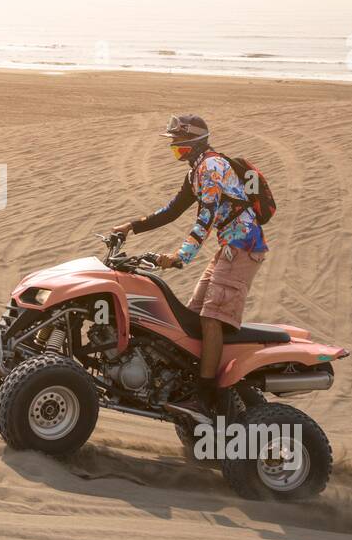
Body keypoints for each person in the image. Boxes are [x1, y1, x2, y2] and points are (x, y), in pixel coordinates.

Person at [112, 114, 268, 416]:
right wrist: (130, 226)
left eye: (177, 143)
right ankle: (186, 384)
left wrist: (179, 257)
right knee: (193, 315)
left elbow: (205, 217)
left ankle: (208, 396)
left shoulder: (211, 167)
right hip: (229, 248)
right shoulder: (196, 171)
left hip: (244, 247)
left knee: (211, 318)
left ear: (193, 143)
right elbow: (171, 211)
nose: (174, 147)